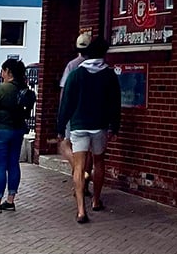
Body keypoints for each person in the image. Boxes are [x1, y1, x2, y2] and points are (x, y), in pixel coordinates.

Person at [57, 36, 121, 224]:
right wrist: (114, 126)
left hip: (78, 126)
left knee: (79, 166)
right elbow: (114, 103)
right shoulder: (109, 75)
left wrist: (60, 127)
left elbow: (66, 103)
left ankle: (80, 210)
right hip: (99, 125)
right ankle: (95, 200)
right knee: (99, 162)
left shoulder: (76, 74)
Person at [0, 58, 30, 213]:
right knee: (13, 164)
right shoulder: (23, 88)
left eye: (2, 71)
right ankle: (10, 200)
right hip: (17, 130)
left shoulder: (3, 88)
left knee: (0, 167)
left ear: (8, 71)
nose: (1, 74)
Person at [59, 32, 93, 194]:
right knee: (89, 152)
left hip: (74, 114)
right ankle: (84, 185)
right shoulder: (97, 66)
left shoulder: (73, 65)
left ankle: (80, 175)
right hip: (92, 114)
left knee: (67, 146)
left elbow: (65, 92)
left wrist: (62, 114)